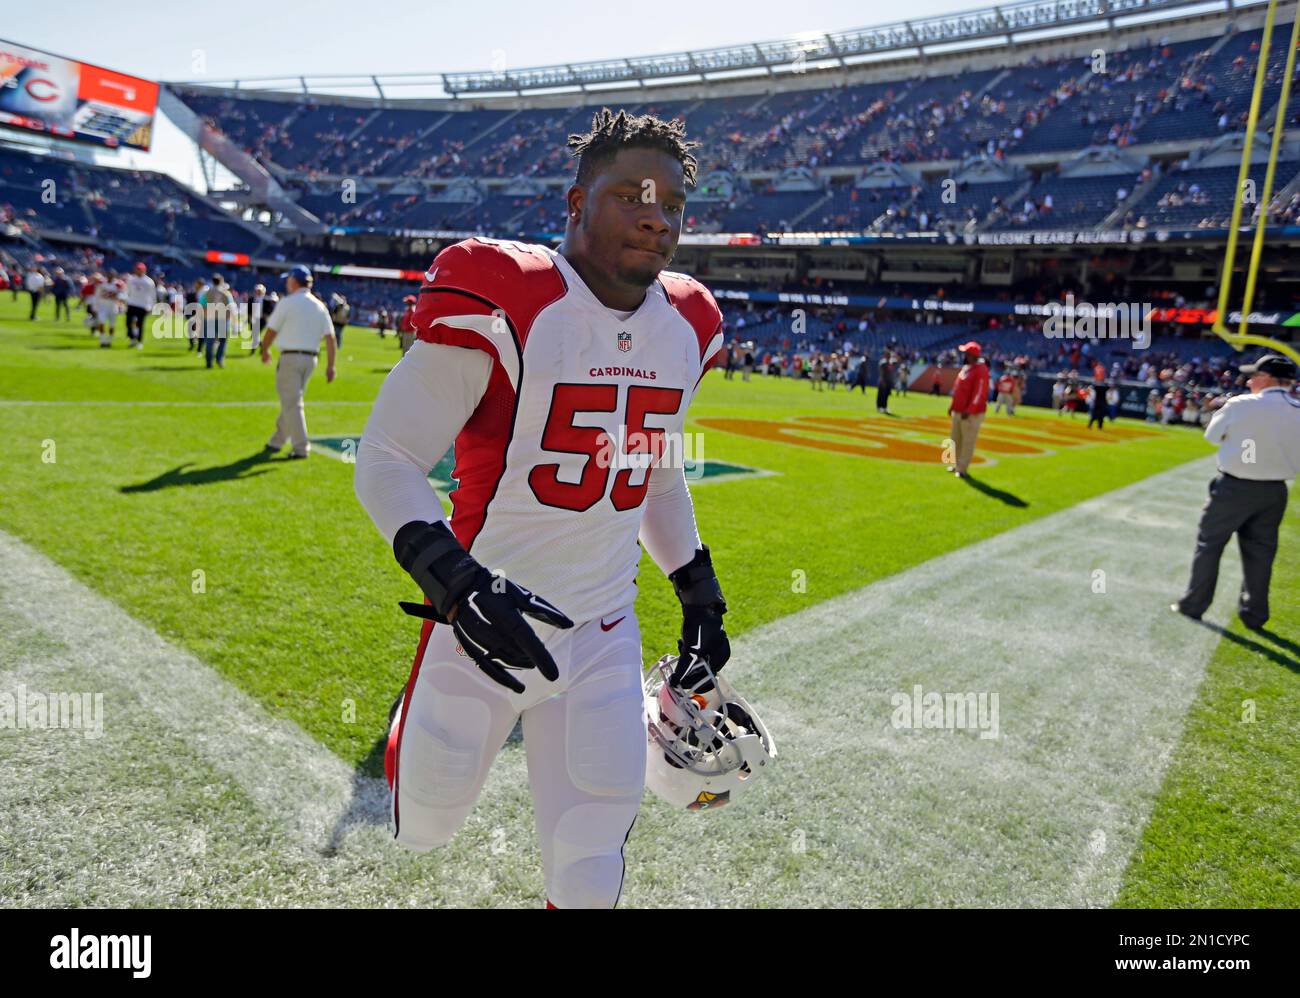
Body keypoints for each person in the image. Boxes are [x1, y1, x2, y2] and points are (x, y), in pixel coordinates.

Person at [354, 108, 732, 909]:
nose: (655, 216)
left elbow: (655, 469)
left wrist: (697, 589)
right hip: (481, 623)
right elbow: (387, 458)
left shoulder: (687, 321)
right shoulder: (513, 296)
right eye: (632, 193)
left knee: (590, 859)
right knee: (423, 824)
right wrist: (452, 580)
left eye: (672, 205)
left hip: (602, 630)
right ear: (575, 202)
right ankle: (412, 713)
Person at [1172, 355, 1300, 631]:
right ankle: (1254, 615)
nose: (1249, 380)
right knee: (1261, 554)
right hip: (1275, 491)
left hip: (1233, 488)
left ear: (1266, 377)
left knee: (1209, 546)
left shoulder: (1240, 404)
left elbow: (1212, 436)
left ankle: (1194, 604)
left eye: (1254, 375)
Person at [259, 265, 336, 458]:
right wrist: (330, 365)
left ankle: (301, 447)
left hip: (290, 358)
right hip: (311, 359)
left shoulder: (288, 303)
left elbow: (271, 330)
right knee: (292, 400)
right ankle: (277, 440)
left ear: (293, 281)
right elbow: (330, 338)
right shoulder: (319, 305)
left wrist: (265, 349)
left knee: (292, 403)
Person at [947, 341, 989, 478]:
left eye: (966, 353)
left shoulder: (981, 370)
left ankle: (962, 468)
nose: (964, 355)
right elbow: (957, 389)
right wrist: (952, 406)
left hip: (971, 414)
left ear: (972, 355)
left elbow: (980, 393)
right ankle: (954, 464)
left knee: (967, 441)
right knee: (955, 439)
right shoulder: (966, 368)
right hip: (958, 411)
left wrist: (970, 410)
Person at [203, 273, 235, 369]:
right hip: (222, 320)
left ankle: (209, 362)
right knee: (223, 341)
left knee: (209, 342)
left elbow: (203, 307)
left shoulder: (207, 293)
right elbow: (230, 308)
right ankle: (219, 359)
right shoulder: (226, 293)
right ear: (221, 281)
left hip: (210, 319)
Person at [123, 262, 155, 350]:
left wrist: (151, 306)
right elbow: (127, 291)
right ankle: (132, 338)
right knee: (128, 323)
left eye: (140, 269)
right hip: (132, 303)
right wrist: (125, 300)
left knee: (140, 324)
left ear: (144, 270)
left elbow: (152, 295)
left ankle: (139, 341)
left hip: (143, 305)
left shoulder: (149, 281)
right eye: (137, 269)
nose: (138, 271)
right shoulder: (131, 279)